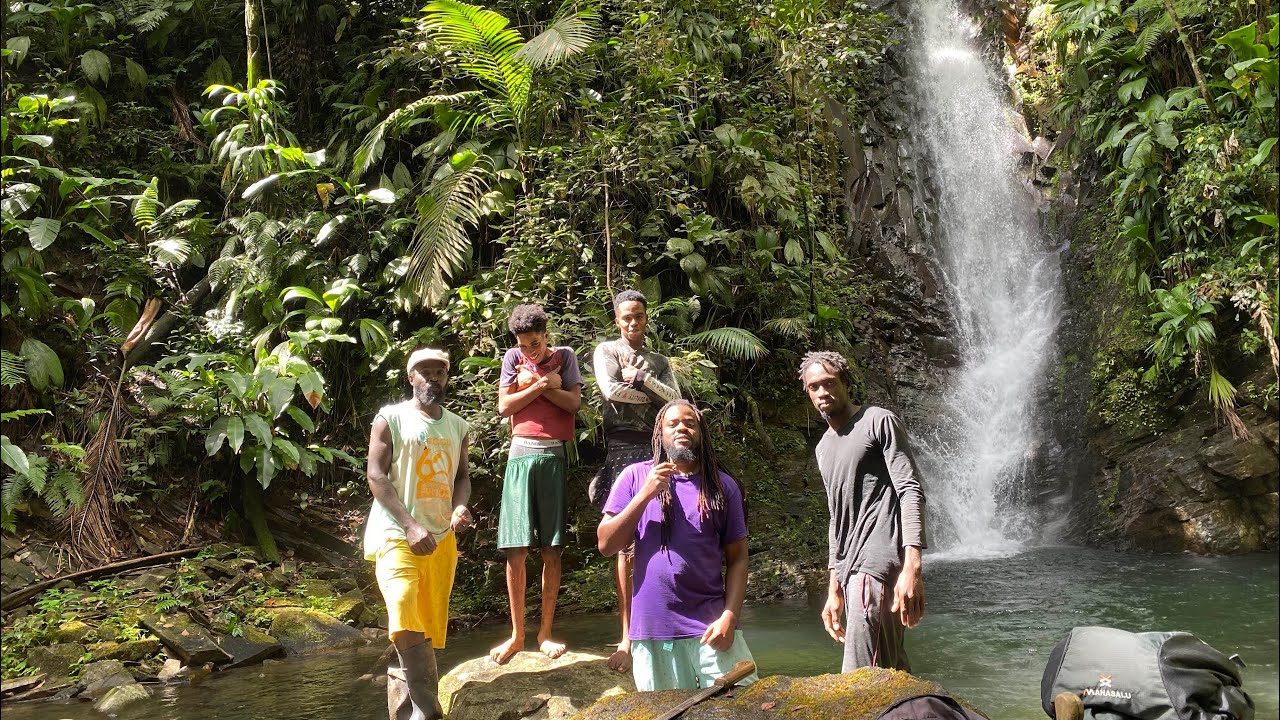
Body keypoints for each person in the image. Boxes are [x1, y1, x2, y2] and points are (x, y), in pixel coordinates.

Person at [597, 399, 759, 691]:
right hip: (653, 630)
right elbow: (607, 544)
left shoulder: (723, 486)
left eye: (690, 423)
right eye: (673, 423)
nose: (682, 427)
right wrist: (645, 494)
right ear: (659, 433)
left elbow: (738, 559)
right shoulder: (634, 477)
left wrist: (730, 617)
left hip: (711, 626)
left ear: (701, 432)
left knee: (744, 703)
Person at [798, 350, 927, 672]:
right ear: (808, 393)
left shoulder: (877, 420)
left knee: (859, 676)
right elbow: (837, 517)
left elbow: (910, 489)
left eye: (829, 383)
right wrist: (834, 587)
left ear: (845, 383)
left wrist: (912, 567)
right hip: (851, 569)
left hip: (877, 565)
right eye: (814, 387)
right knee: (892, 671)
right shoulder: (823, 446)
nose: (823, 392)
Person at [365, 347, 472, 720]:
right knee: (403, 601)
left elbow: (462, 476)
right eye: (424, 372)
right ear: (411, 377)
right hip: (396, 532)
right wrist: (410, 525)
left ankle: (403, 711)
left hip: (441, 537)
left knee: (419, 623)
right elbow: (376, 475)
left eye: (439, 373)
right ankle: (429, 713)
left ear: (446, 378)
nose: (433, 378)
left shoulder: (458, 426)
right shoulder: (390, 418)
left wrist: (460, 507)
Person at [590, 289, 680, 672]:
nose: (632, 322)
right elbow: (611, 391)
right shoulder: (606, 351)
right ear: (618, 320)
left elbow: (677, 398)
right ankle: (627, 636)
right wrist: (652, 394)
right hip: (622, 449)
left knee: (664, 531)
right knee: (625, 541)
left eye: (638, 316)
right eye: (626, 317)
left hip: (658, 448)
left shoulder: (657, 360)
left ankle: (666, 624)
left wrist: (642, 378)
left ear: (646, 317)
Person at [489, 304, 583, 664]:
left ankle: (544, 632)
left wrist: (536, 386)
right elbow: (504, 407)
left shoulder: (566, 356)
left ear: (546, 334)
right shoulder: (512, 358)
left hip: (552, 455)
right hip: (519, 454)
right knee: (515, 547)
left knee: (551, 547)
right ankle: (516, 635)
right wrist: (544, 383)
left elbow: (573, 404)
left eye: (536, 343)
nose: (530, 351)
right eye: (524, 345)